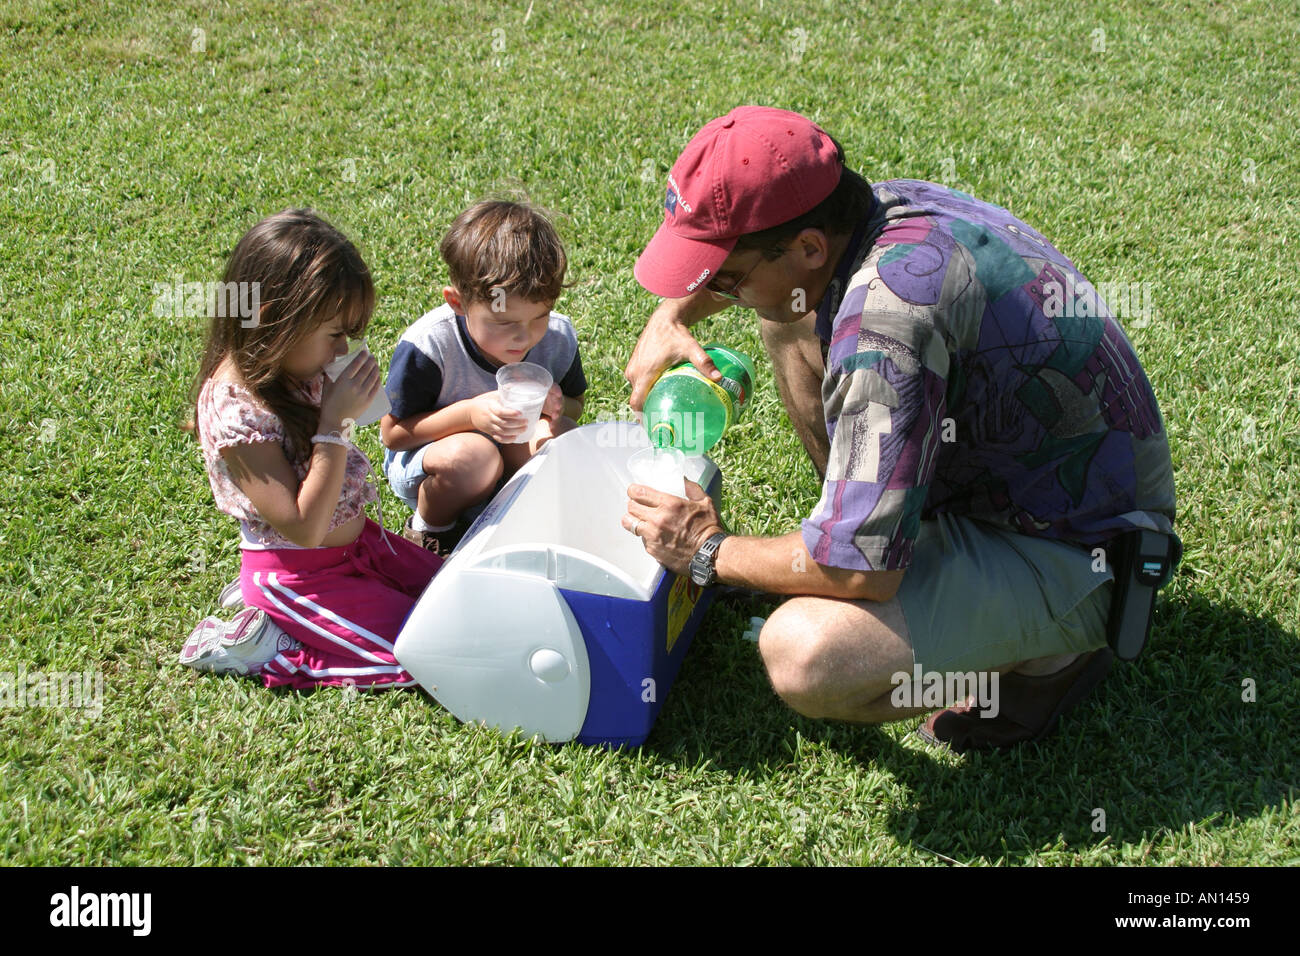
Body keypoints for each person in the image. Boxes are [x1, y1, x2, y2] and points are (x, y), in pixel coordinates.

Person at [622, 106, 1177, 752]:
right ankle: (860, 524)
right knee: (786, 312)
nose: (718, 290)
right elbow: (779, 278)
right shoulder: (877, 214)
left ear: (808, 247)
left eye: (724, 277)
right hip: (1027, 483)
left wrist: (709, 551)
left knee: (803, 652)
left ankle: (1050, 658)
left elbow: (867, 579)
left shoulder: (886, 327)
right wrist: (673, 313)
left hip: (1083, 552)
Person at [182, 209, 443, 689]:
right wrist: (336, 424)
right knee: (425, 659)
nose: (344, 347)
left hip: (361, 547)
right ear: (271, 321)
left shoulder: (291, 367)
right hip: (298, 573)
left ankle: (294, 618)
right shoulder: (234, 410)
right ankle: (270, 646)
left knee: (455, 598)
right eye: (334, 334)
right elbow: (303, 528)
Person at [381, 200, 587, 552]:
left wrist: (555, 404)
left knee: (561, 438)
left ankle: (521, 519)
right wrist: (470, 414)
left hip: (509, 455)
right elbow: (393, 434)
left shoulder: (556, 337)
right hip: (439, 463)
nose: (524, 337)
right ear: (458, 303)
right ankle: (432, 532)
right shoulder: (431, 344)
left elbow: (576, 408)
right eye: (503, 323)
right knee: (473, 456)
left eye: (539, 316)